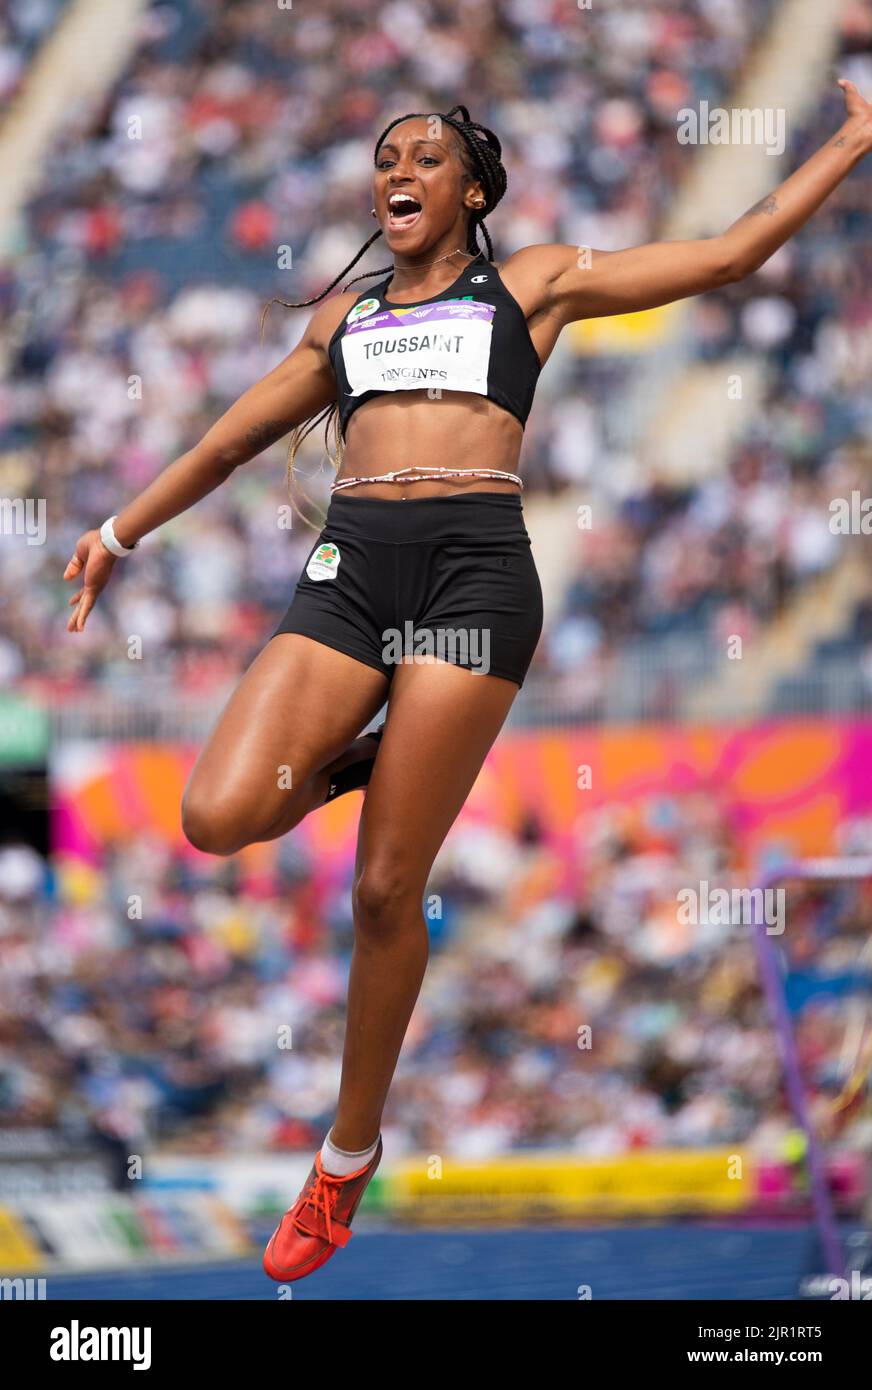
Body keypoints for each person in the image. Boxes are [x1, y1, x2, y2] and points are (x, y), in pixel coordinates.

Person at [64, 90, 872, 1284]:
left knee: (387, 887)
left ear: (469, 192)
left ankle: (343, 1161)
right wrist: (118, 534)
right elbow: (228, 442)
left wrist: (854, 139)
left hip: (473, 581)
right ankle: (360, 754)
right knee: (217, 814)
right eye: (384, 157)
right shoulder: (343, 317)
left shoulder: (529, 286)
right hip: (349, 572)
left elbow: (728, 248)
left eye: (424, 157)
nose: (396, 170)